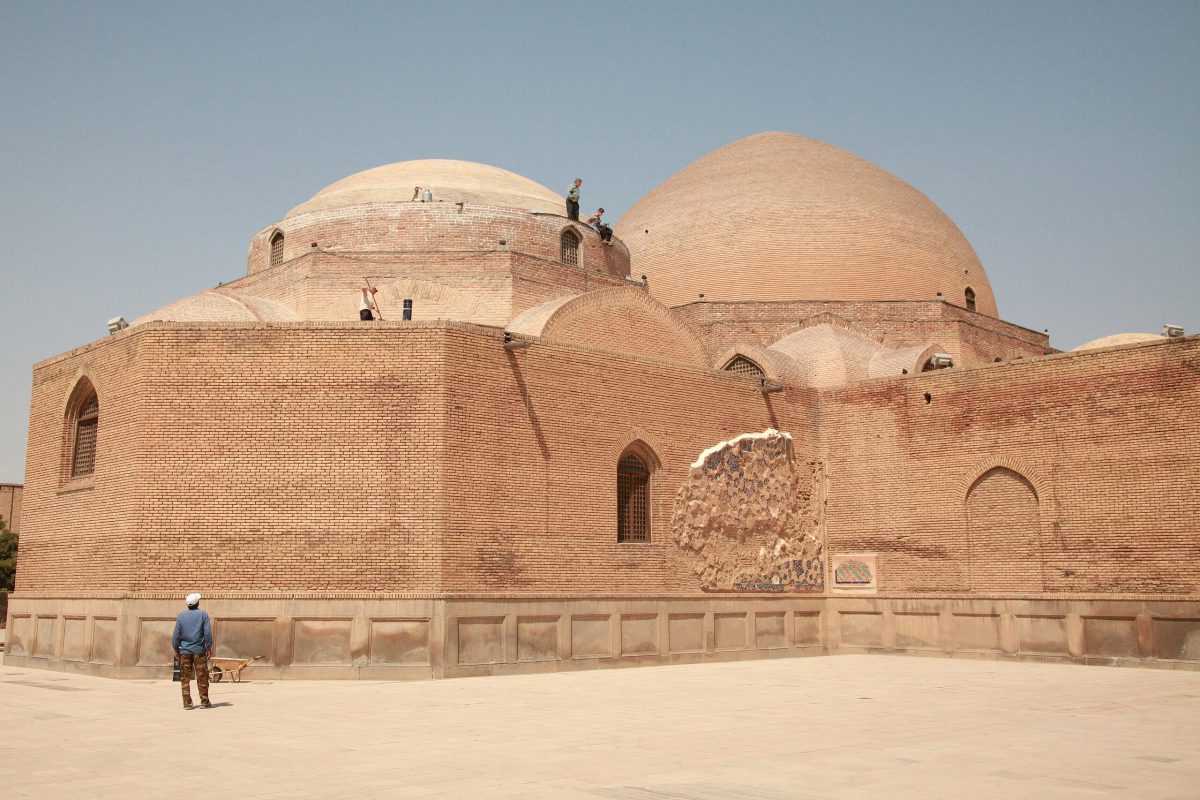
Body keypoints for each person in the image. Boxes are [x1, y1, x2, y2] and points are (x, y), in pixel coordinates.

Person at [172, 592, 213, 710]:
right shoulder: (203, 615)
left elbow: (176, 636)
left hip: (184, 651)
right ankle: (204, 701)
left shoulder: (181, 616)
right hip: (199, 651)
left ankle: (187, 703)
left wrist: (176, 649)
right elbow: (207, 633)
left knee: (184, 677)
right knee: (202, 677)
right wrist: (208, 647)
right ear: (197, 603)